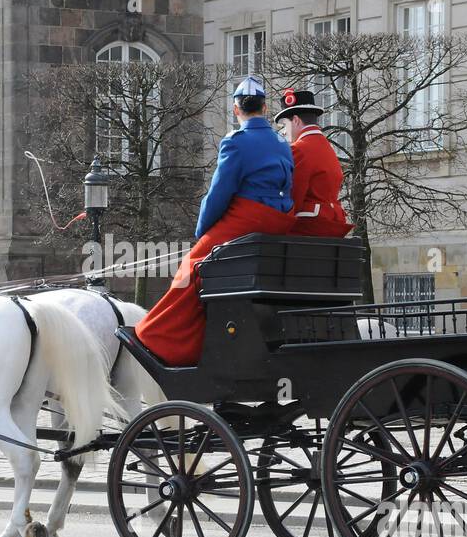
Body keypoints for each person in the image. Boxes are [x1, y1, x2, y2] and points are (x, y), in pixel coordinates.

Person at [134, 75, 295, 365]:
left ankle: (158, 337)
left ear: (237, 109)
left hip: (248, 218)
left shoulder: (236, 142)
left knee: (191, 267)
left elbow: (219, 193)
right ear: (264, 107)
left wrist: (202, 231)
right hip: (278, 221)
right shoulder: (282, 143)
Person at [274, 88, 350, 238]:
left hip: (308, 226)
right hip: (332, 222)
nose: (282, 132)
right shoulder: (326, 146)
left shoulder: (298, 149)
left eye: (284, 125)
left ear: (296, 120)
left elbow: (292, 198)